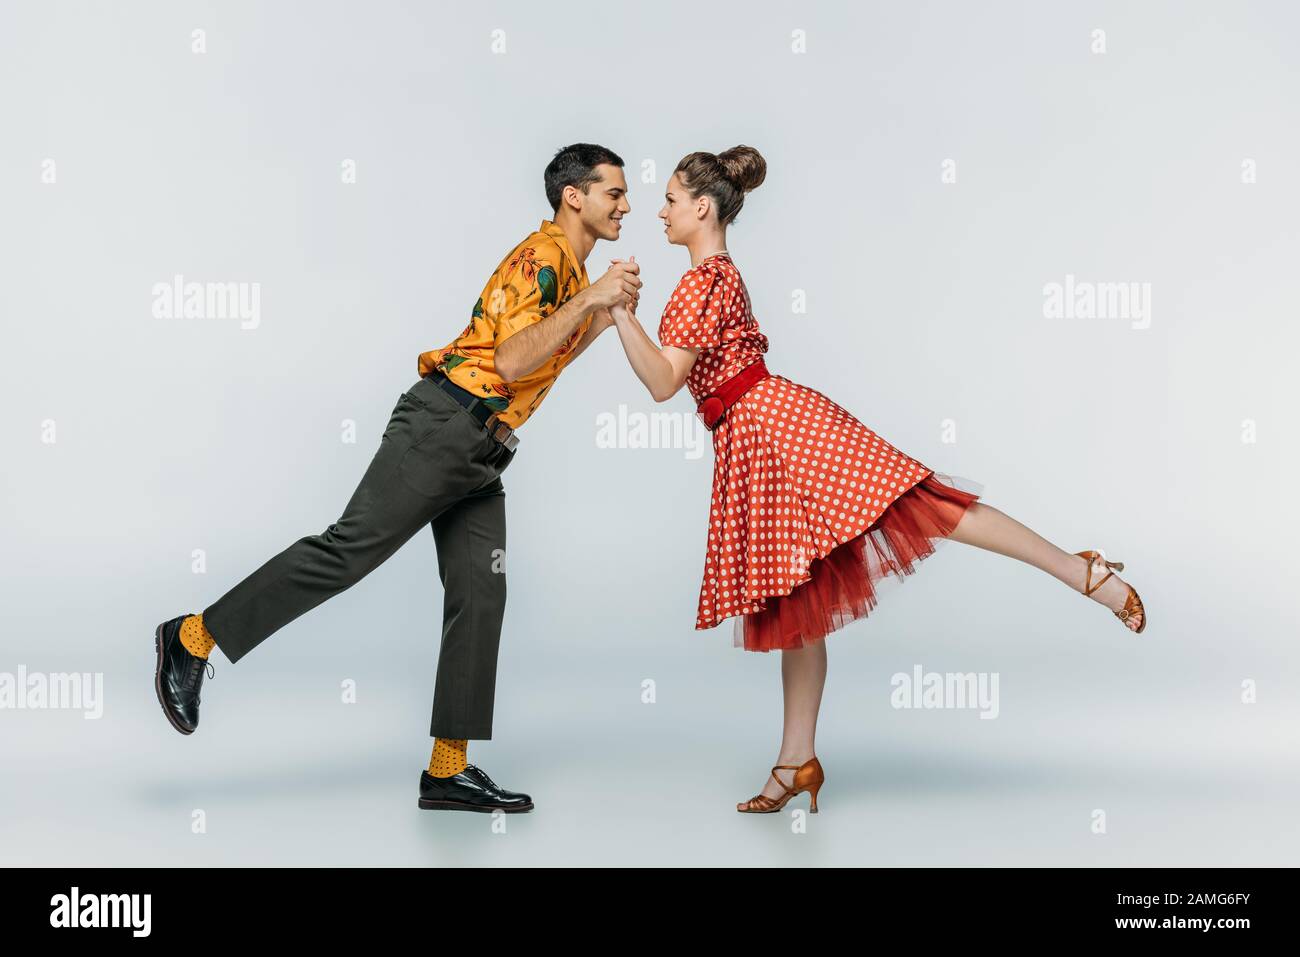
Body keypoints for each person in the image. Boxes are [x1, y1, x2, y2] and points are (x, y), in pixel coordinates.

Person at [606, 145, 1147, 814]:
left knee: (924, 505)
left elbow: (663, 381)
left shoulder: (701, 282)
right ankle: (795, 761)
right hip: (756, 439)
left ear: (702, 207)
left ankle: (1081, 571)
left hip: (774, 430)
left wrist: (617, 311)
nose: (659, 212)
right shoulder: (716, 275)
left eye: (669, 200)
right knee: (799, 602)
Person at [153, 143, 640, 813]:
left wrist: (600, 317)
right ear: (573, 196)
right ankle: (192, 636)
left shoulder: (572, 270)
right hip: (443, 427)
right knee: (347, 551)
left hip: (482, 451)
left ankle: (447, 769)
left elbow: (543, 359)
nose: (626, 205)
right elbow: (511, 360)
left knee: (481, 591)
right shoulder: (542, 257)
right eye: (615, 191)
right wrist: (589, 298)